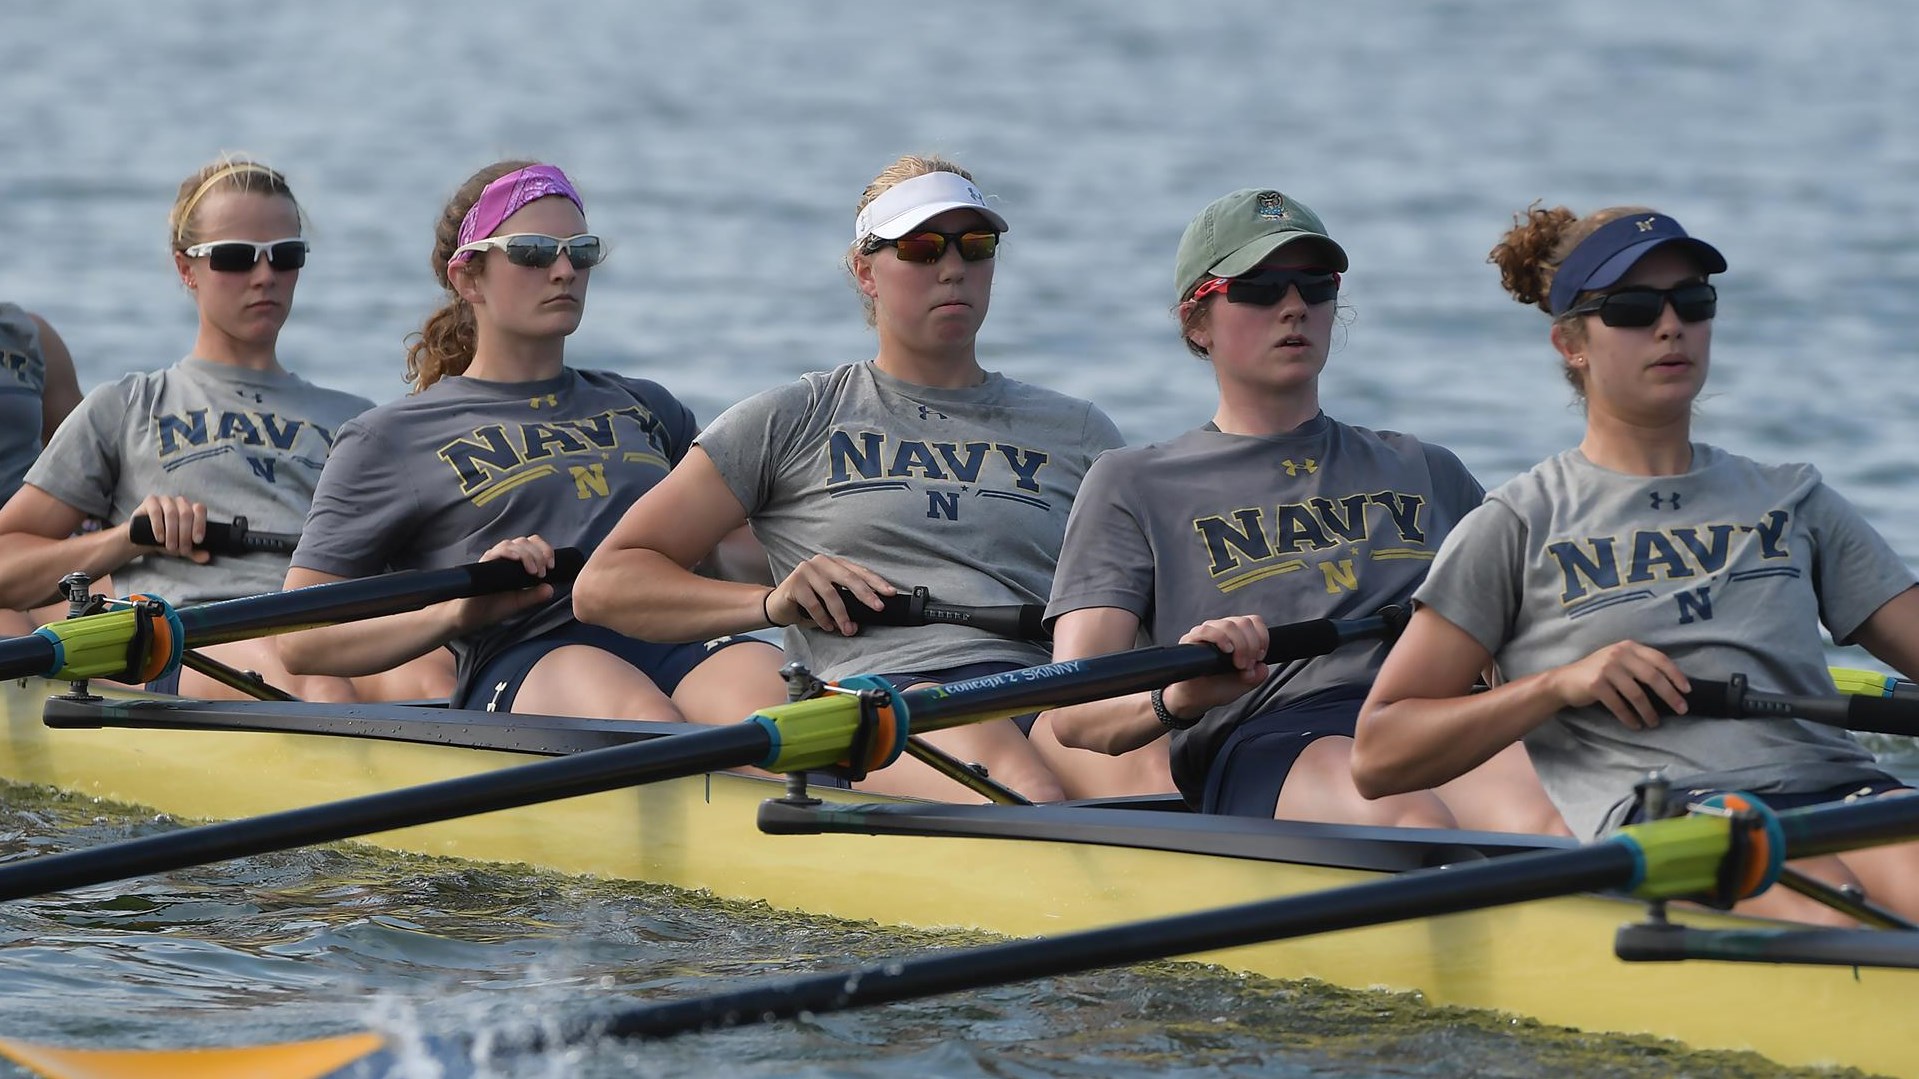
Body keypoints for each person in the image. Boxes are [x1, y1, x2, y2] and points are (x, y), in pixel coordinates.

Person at [1354, 202, 1919, 921]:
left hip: (1842, 791)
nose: (1669, 325)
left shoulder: (1793, 496)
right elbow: (1378, 754)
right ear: (1569, 343)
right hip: (1671, 820)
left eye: (1691, 301)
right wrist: (1557, 686)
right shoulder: (1517, 524)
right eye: (1630, 308)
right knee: (1842, 926)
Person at [575, 154, 1148, 802]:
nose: (953, 267)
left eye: (976, 245)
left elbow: (1142, 598)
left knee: (1165, 781)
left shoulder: (1079, 431)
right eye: (923, 247)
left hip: (1050, 690)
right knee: (1026, 790)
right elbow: (606, 584)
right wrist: (766, 604)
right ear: (864, 271)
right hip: (884, 699)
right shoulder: (794, 418)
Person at [1042, 188, 1567, 833]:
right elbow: (1072, 711)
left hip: (1428, 720)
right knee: (1408, 822)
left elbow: (1529, 640)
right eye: (1260, 287)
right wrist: (1180, 697)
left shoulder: (1427, 468)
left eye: (1315, 285)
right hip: (1273, 735)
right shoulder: (1132, 483)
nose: (1294, 306)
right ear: (1196, 322)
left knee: (1555, 817)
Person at [277, 160, 784, 725]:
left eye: (580, 251)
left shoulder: (647, 407)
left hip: (676, 636)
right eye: (534, 252)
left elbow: (743, 556)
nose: (564, 269)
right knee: (642, 719)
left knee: (772, 711)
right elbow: (300, 640)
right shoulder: (389, 439)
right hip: (531, 657)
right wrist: (454, 614)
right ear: (469, 278)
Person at [0, 157, 444, 702]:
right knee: (315, 686)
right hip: (195, 637)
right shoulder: (127, 406)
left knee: (435, 676)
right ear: (186, 269)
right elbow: (6, 565)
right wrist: (124, 542)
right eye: (236, 258)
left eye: (286, 256)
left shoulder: (360, 421)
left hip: (334, 626)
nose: (265, 276)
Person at [0, 305, 84, 635]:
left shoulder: (29, 335)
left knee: (141, 609)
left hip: (33, 549)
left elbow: (89, 464)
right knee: (20, 635)